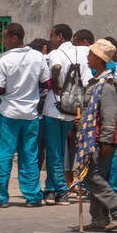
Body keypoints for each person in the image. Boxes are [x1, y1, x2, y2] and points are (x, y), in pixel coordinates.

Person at [72, 39, 117, 230]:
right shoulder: (96, 83)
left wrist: (106, 141)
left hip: (100, 141)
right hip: (93, 139)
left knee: (92, 176)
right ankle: (99, 219)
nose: (87, 57)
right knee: (99, 178)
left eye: (91, 54)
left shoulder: (106, 85)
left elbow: (109, 116)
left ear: (99, 58)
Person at [0, 23, 49, 208]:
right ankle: (33, 196)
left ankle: (0, 197)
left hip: (9, 114)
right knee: (29, 155)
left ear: (14, 38)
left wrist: (10, 91)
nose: (4, 42)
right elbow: (46, 83)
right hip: (30, 114)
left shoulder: (5, 60)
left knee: (3, 156)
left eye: (5, 38)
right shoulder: (38, 57)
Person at [43, 23, 87, 206]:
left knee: (54, 153)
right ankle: (50, 190)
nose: (50, 39)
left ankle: (62, 192)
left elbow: (56, 68)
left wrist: (54, 82)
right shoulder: (83, 54)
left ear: (60, 36)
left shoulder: (55, 53)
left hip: (54, 108)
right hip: (72, 109)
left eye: (52, 36)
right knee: (60, 150)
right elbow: (85, 81)